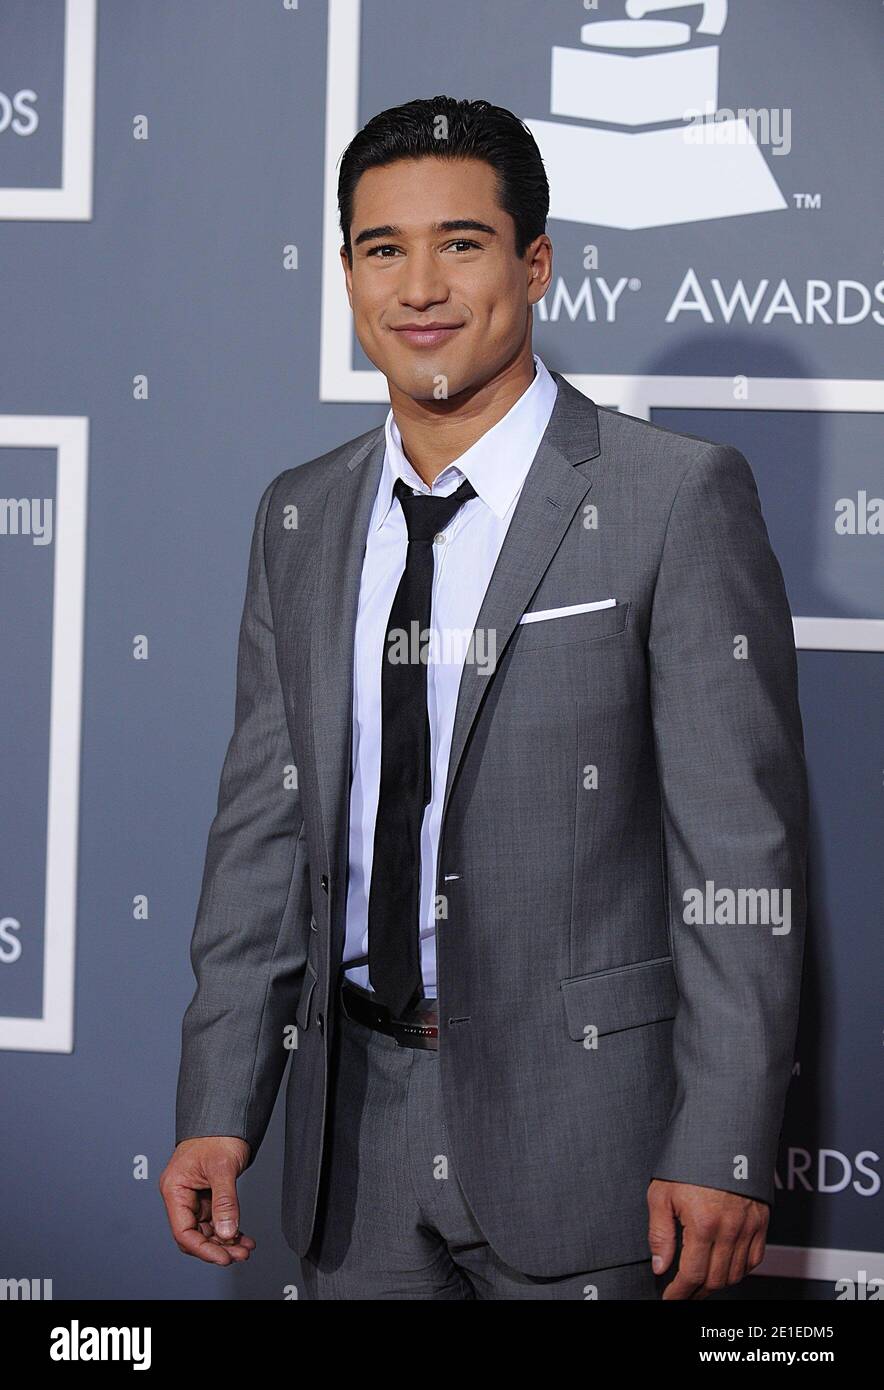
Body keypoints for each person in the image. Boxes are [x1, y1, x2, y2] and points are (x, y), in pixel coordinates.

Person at [160, 96, 808, 1300]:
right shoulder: (299, 514)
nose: (420, 287)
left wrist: (720, 1141)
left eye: (459, 243)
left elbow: (738, 852)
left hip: (596, 1136)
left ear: (534, 263)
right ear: (346, 271)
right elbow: (264, 835)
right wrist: (218, 1101)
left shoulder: (670, 496)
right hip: (349, 1138)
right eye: (381, 248)